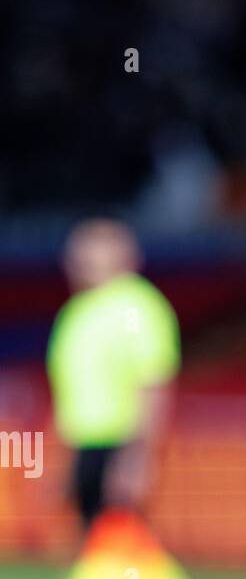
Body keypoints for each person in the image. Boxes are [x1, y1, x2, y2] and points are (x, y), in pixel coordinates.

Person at [47, 218, 180, 529]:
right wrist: (62, 463)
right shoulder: (76, 311)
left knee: (120, 550)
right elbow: (68, 392)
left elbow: (154, 384)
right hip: (83, 445)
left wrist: (137, 459)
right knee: (90, 549)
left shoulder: (138, 306)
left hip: (120, 441)